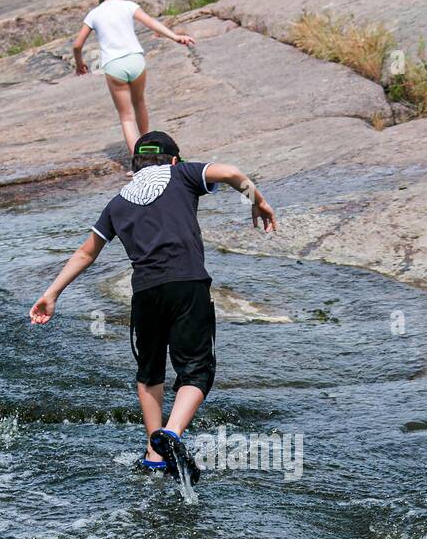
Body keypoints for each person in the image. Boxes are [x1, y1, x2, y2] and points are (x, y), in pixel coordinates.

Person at [29, 131, 278, 483]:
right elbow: (231, 173)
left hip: (145, 294)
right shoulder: (182, 175)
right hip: (187, 285)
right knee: (196, 371)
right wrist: (257, 199)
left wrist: (51, 293)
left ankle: (153, 454)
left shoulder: (117, 203)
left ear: (134, 168)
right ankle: (172, 434)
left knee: (149, 373)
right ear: (173, 159)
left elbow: (87, 253)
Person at [74, 0, 195, 154]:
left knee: (126, 117)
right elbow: (151, 22)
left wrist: (79, 64)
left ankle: (137, 161)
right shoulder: (128, 5)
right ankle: (149, 149)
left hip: (114, 65)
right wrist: (175, 37)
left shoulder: (94, 14)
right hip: (135, 60)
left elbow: (77, 45)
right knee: (139, 102)